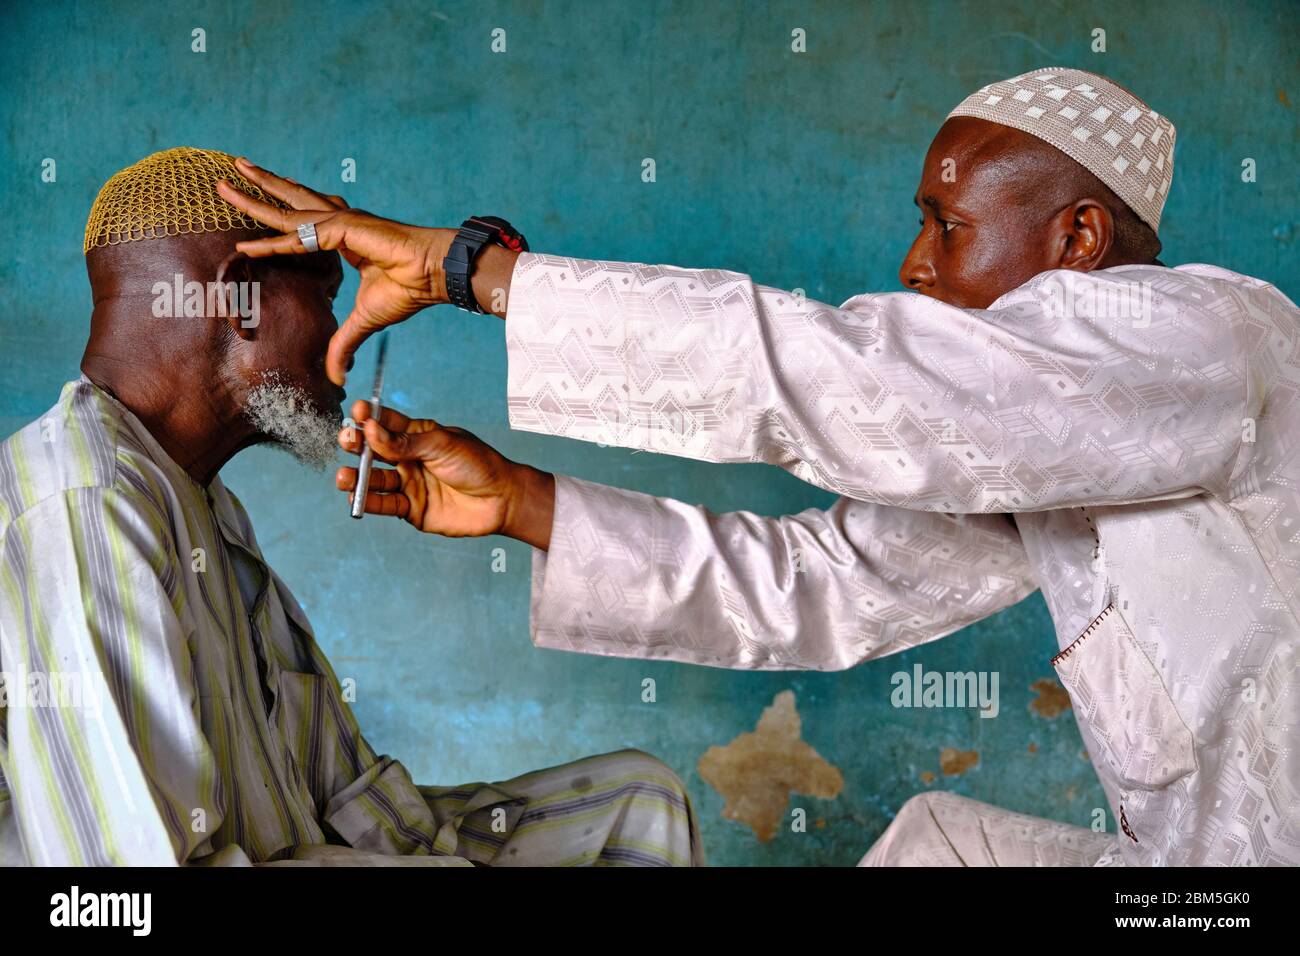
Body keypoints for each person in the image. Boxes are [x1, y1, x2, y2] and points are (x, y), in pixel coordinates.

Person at [218, 67, 1299, 867]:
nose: (914, 266)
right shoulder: (1036, 430)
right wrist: (523, 500)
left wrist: (482, 275)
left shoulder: (1209, 336)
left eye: (946, 226)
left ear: (1077, 237)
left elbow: (861, 381)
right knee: (936, 847)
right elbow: (821, 582)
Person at [0, 147, 702, 867]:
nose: (347, 347)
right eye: (331, 302)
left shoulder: (208, 506)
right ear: (242, 296)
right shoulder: (86, 507)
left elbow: (350, 802)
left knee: (641, 805)